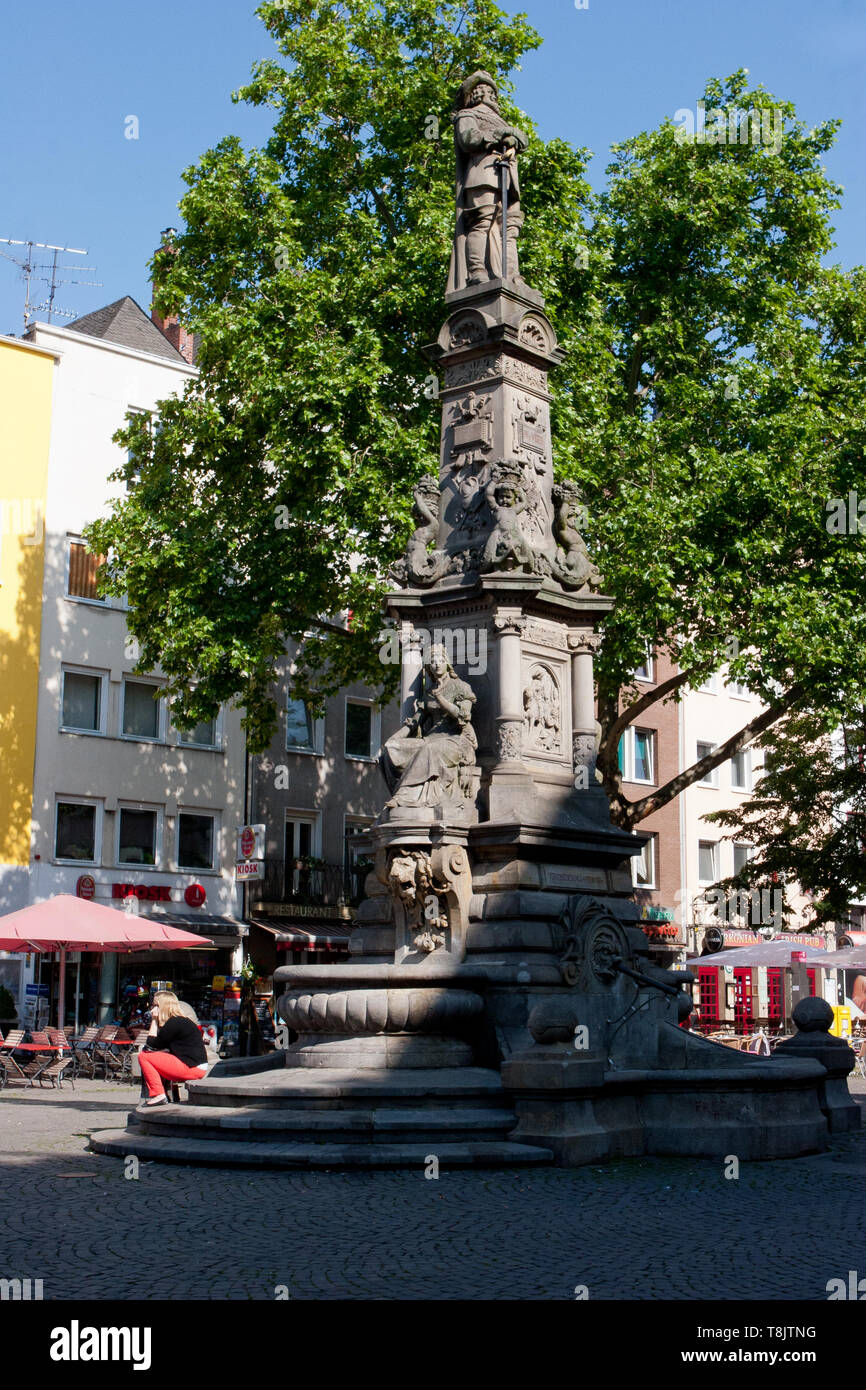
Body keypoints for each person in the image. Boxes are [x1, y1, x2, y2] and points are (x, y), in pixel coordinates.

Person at [138, 990, 208, 1107]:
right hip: (195, 1066)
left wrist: (154, 1021)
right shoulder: (179, 1021)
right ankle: (168, 1094)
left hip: (192, 1068)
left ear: (163, 1006)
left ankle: (159, 1094)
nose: (152, 1009)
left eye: (155, 1005)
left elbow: (150, 1046)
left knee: (144, 1056)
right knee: (154, 1058)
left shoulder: (173, 1023)